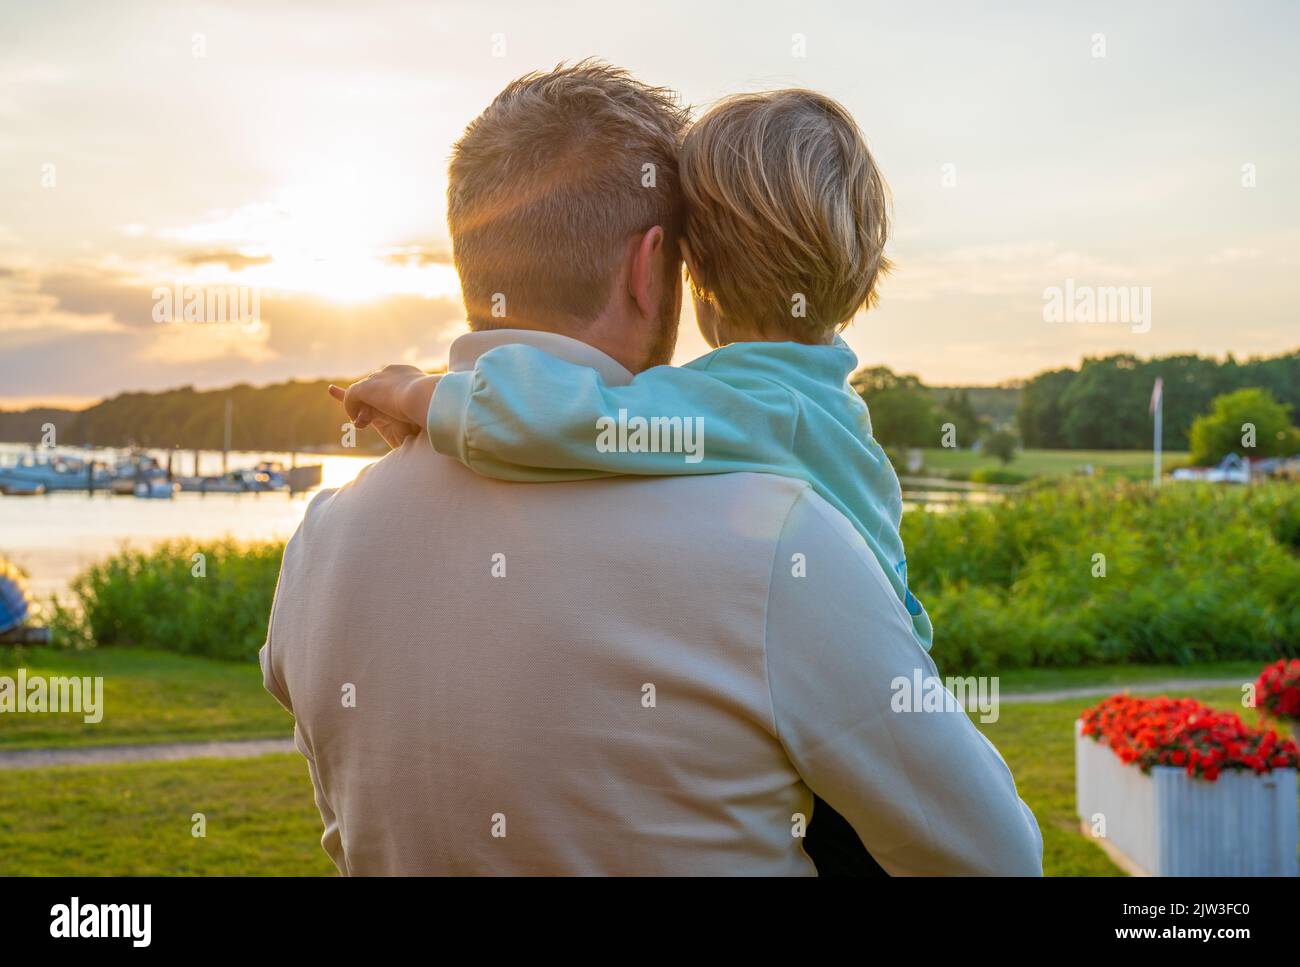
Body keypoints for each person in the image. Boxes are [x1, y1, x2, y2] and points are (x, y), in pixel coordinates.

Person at [266, 62, 1043, 875]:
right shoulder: (777, 534)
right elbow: (997, 858)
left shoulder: (321, 539)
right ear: (650, 269)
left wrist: (429, 397)